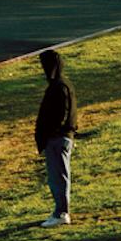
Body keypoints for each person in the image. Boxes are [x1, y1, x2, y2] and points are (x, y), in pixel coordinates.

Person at [36, 47, 80, 226]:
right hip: (58, 137)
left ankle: (61, 213)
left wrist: (50, 133)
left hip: (57, 138)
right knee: (57, 176)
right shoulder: (62, 85)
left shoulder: (59, 87)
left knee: (58, 176)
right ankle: (60, 211)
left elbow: (62, 113)